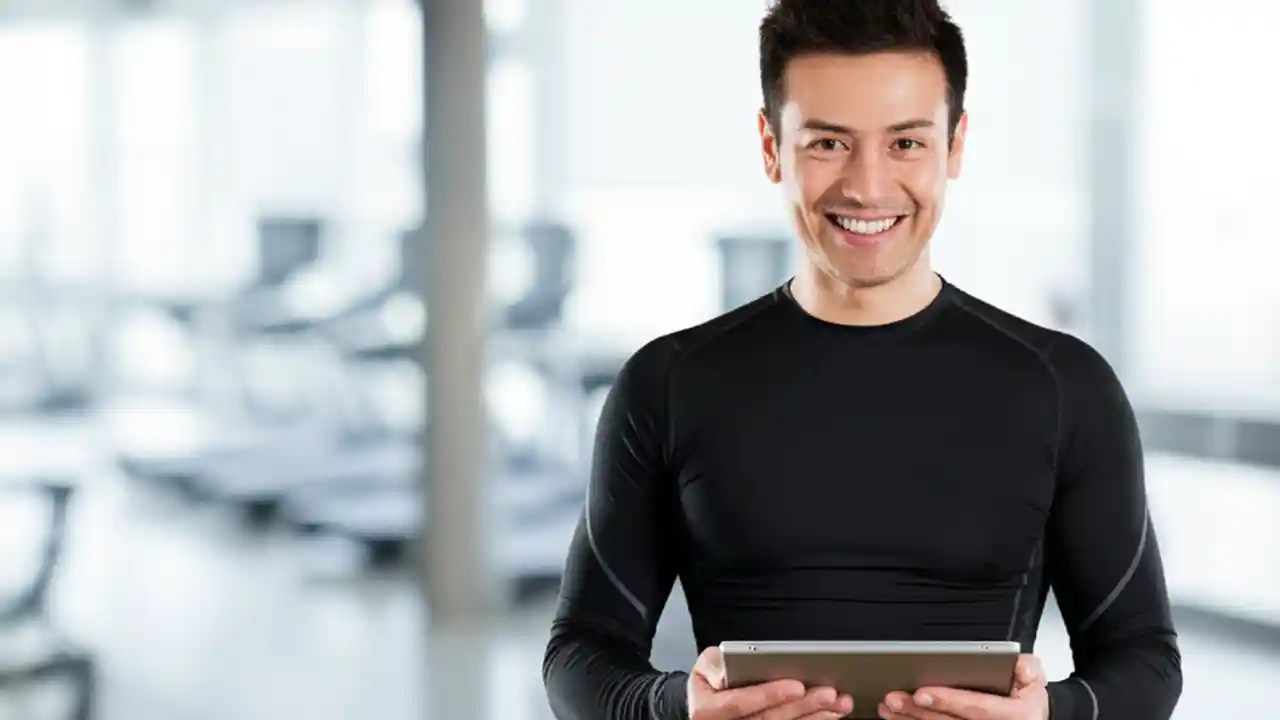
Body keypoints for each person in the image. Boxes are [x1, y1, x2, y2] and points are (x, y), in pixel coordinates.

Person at [542, 1, 1182, 718]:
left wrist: (1049, 713)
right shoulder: (668, 384)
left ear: (956, 144)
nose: (868, 187)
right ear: (769, 145)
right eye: (827, 144)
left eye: (906, 144)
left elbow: (1145, 661)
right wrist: (675, 707)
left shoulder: (1065, 388)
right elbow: (579, 655)